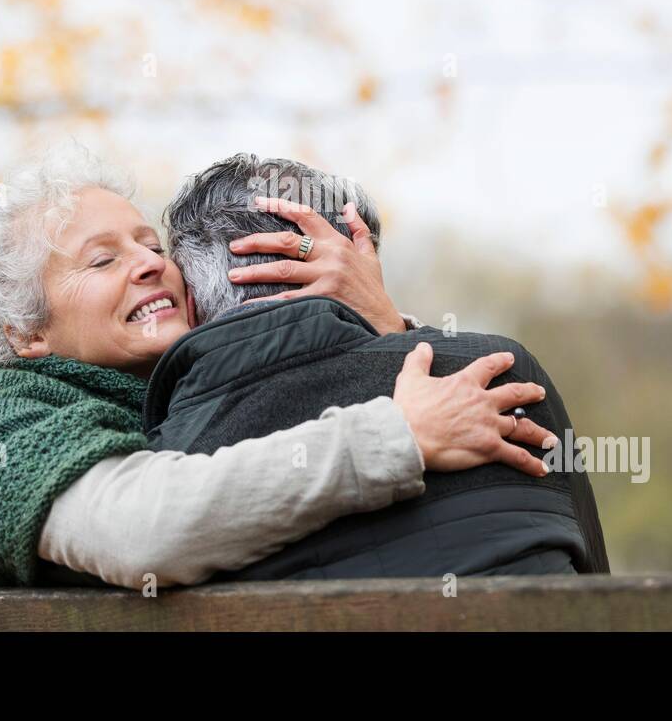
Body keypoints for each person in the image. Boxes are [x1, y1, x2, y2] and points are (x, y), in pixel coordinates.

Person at [0, 140, 554, 589]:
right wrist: (398, 436)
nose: (150, 264)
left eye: (150, 244)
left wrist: (380, 323)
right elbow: (145, 532)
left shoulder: (181, 402)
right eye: (102, 260)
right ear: (25, 330)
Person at [144, 154, 611, 578]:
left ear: (189, 300)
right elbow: (595, 588)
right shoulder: (493, 374)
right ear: (362, 274)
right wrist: (393, 329)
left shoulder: (160, 460)